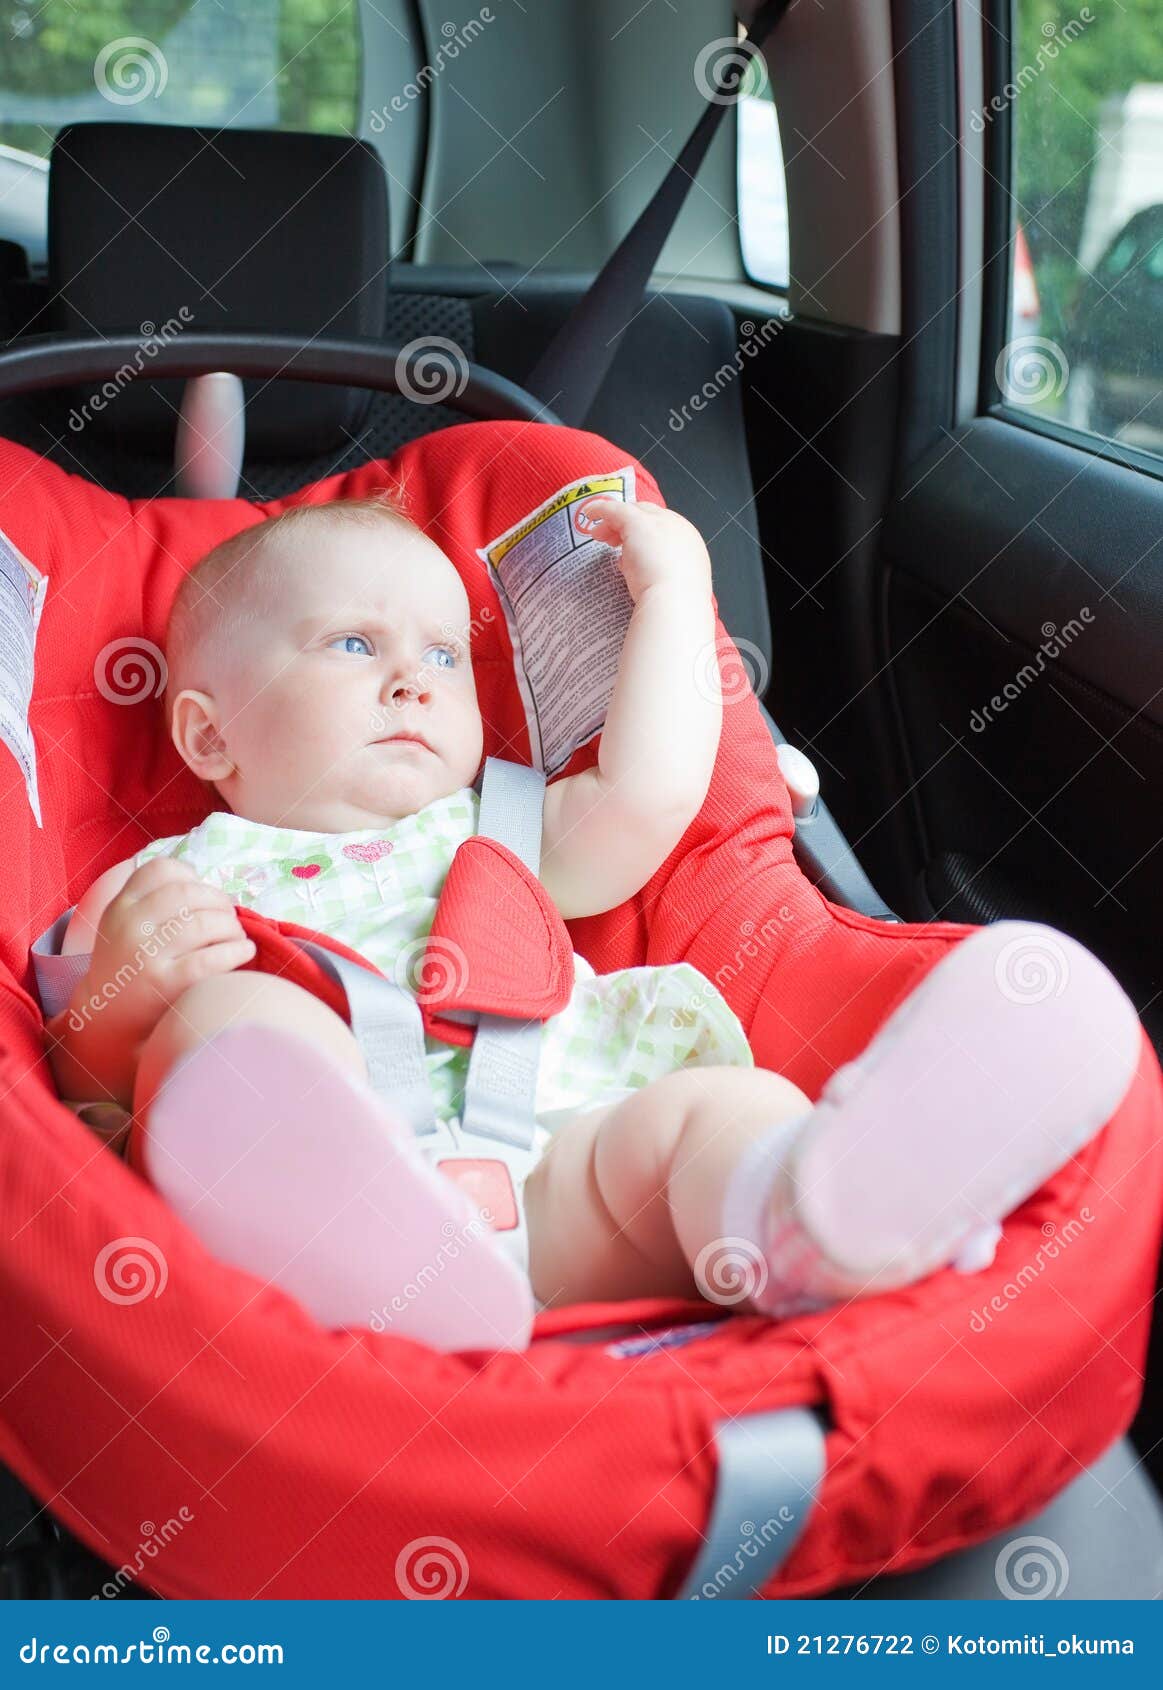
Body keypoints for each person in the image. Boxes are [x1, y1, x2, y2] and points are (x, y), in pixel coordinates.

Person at [44, 494, 1141, 1349]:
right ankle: (360, 1249)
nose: (411, 683)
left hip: (561, 1176)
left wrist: (672, 600)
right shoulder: (171, 875)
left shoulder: (502, 825)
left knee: (717, 1112)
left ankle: (808, 1217)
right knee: (229, 1023)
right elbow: (82, 1090)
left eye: (440, 656)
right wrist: (132, 986)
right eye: (349, 646)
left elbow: (649, 793)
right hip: (313, 1207)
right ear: (206, 735)